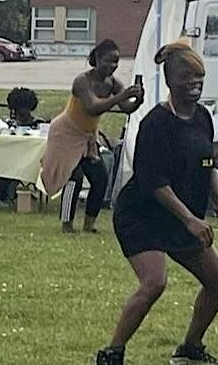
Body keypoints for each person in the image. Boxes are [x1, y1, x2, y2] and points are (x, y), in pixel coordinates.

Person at [95, 43, 218, 365]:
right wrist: (190, 219)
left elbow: (208, 165)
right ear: (171, 80)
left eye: (199, 77)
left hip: (184, 217)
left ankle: (190, 347)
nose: (195, 83)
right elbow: (153, 182)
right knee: (154, 282)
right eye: (188, 77)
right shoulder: (156, 123)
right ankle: (110, 356)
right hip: (143, 215)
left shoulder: (203, 117)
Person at [41, 39, 143, 235]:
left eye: (116, 62)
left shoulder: (112, 83)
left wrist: (137, 99)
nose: (112, 66)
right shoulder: (82, 81)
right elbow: (93, 107)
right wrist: (121, 97)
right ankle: (67, 224)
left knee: (100, 179)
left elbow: (126, 108)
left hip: (87, 136)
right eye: (108, 61)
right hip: (65, 133)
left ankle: (89, 224)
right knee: (74, 178)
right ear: (96, 58)